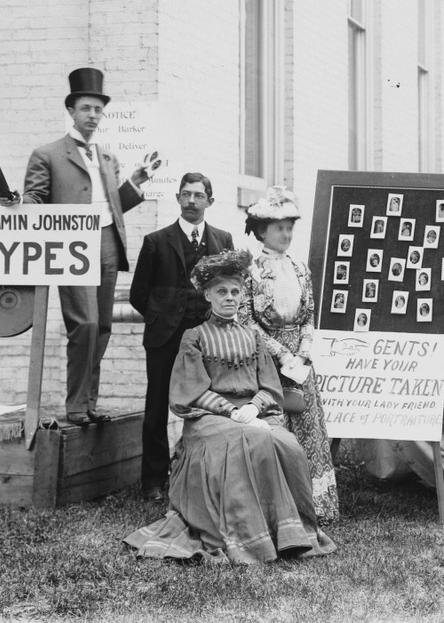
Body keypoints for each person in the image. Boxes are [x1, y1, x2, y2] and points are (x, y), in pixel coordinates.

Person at [124, 250, 336, 564]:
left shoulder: (253, 338)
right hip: (208, 419)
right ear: (208, 295)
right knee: (249, 439)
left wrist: (253, 406)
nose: (229, 298)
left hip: (250, 413)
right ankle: (249, 536)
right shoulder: (193, 337)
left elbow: (269, 387)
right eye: (221, 292)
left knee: (286, 442)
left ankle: (289, 533)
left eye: (235, 292)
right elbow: (190, 391)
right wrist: (232, 411)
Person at [1, 68, 155, 425]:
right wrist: (18, 203)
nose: (92, 115)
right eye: (86, 108)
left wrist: (135, 183)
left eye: (98, 110)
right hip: (70, 246)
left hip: (106, 243)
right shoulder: (48, 154)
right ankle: (74, 405)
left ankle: (88, 404)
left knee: (102, 325)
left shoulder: (108, 158)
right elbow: (35, 201)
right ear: (71, 110)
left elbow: (113, 207)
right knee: (83, 324)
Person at [129, 173, 234, 502]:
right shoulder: (156, 241)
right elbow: (138, 294)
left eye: (198, 195)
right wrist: (163, 316)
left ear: (209, 202)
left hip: (209, 337)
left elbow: (228, 287)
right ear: (177, 198)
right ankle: (153, 481)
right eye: (186, 194)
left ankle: (210, 474)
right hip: (165, 338)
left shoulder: (223, 240)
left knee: (215, 402)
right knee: (157, 407)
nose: (191, 201)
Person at [238, 186, 339, 522]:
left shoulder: (300, 268)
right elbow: (245, 319)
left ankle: (314, 505)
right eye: (279, 227)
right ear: (262, 230)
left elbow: (310, 314)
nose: (286, 233)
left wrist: (305, 351)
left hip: (301, 364)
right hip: (267, 362)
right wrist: (281, 353)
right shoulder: (249, 271)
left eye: (290, 227)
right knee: (274, 427)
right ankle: (274, 507)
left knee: (307, 428)